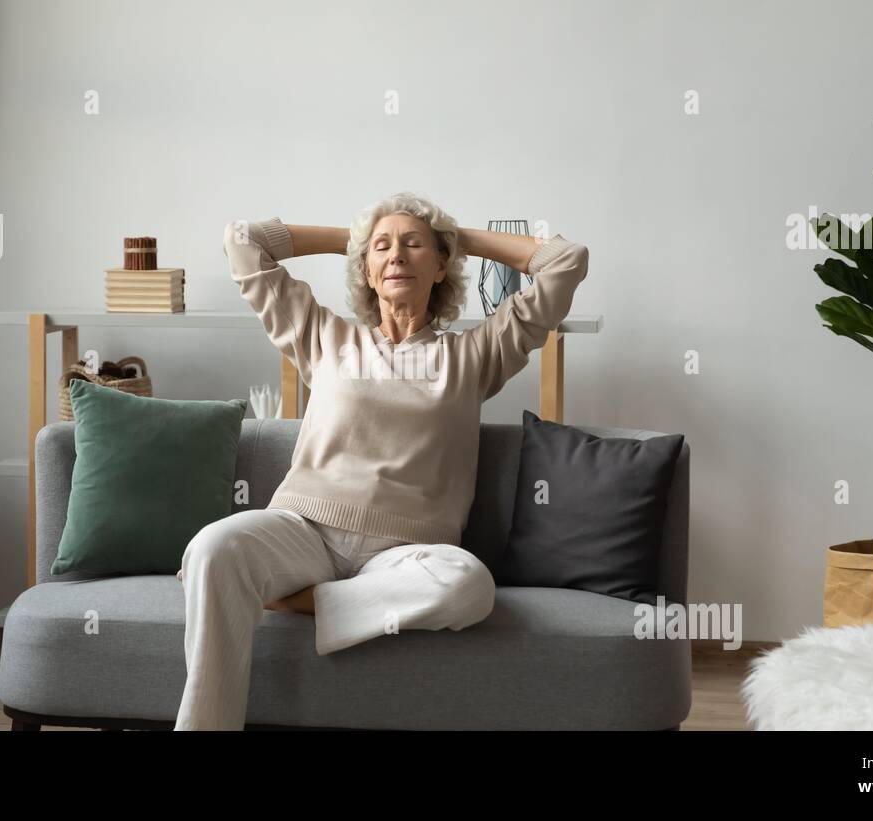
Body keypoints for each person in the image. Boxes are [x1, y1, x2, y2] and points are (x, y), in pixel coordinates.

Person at [175, 192, 589, 730]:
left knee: (470, 586)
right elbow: (244, 242)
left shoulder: (474, 355)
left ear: (441, 267)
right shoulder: (323, 337)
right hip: (304, 530)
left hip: (409, 555)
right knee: (212, 547)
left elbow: (566, 260)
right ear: (366, 270)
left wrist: (454, 239)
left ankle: (295, 602)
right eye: (383, 248)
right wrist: (350, 238)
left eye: (415, 245)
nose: (397, 255)